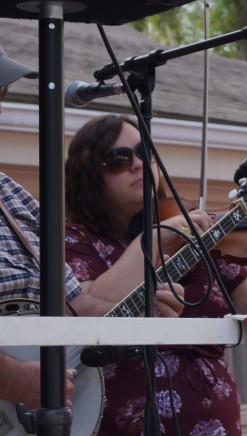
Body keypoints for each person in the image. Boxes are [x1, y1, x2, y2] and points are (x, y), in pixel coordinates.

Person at [63, 114, 247, 436]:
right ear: (89, 175)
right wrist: (154, 240)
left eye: (144, 153)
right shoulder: (75, 240)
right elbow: (88, 306)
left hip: (210, 435)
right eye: (118, 160)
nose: (138, 164)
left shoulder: (187, 223)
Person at [0, 46, 184, 413]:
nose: (1, 108)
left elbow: (78, 305)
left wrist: (143, 313)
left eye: (1, 94)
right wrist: (10, 378)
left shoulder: (10, 194)